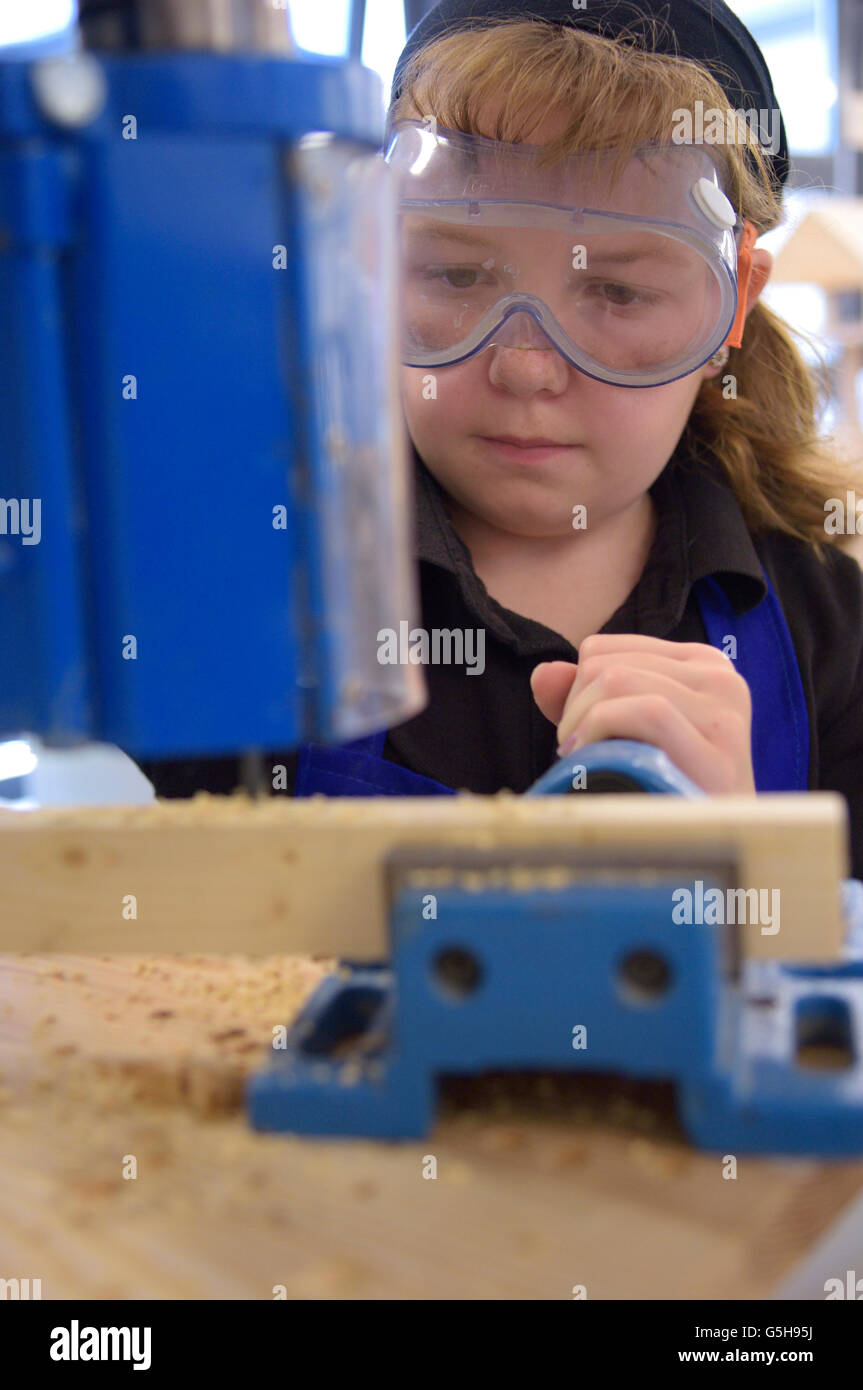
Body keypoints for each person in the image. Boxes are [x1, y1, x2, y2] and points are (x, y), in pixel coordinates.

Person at [142, 0, 863, 883]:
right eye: (455, 273)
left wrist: (758, 879)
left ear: (733, 303)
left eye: (618, 293)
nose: (525, 368)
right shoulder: (259, 588)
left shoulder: (829, 626)